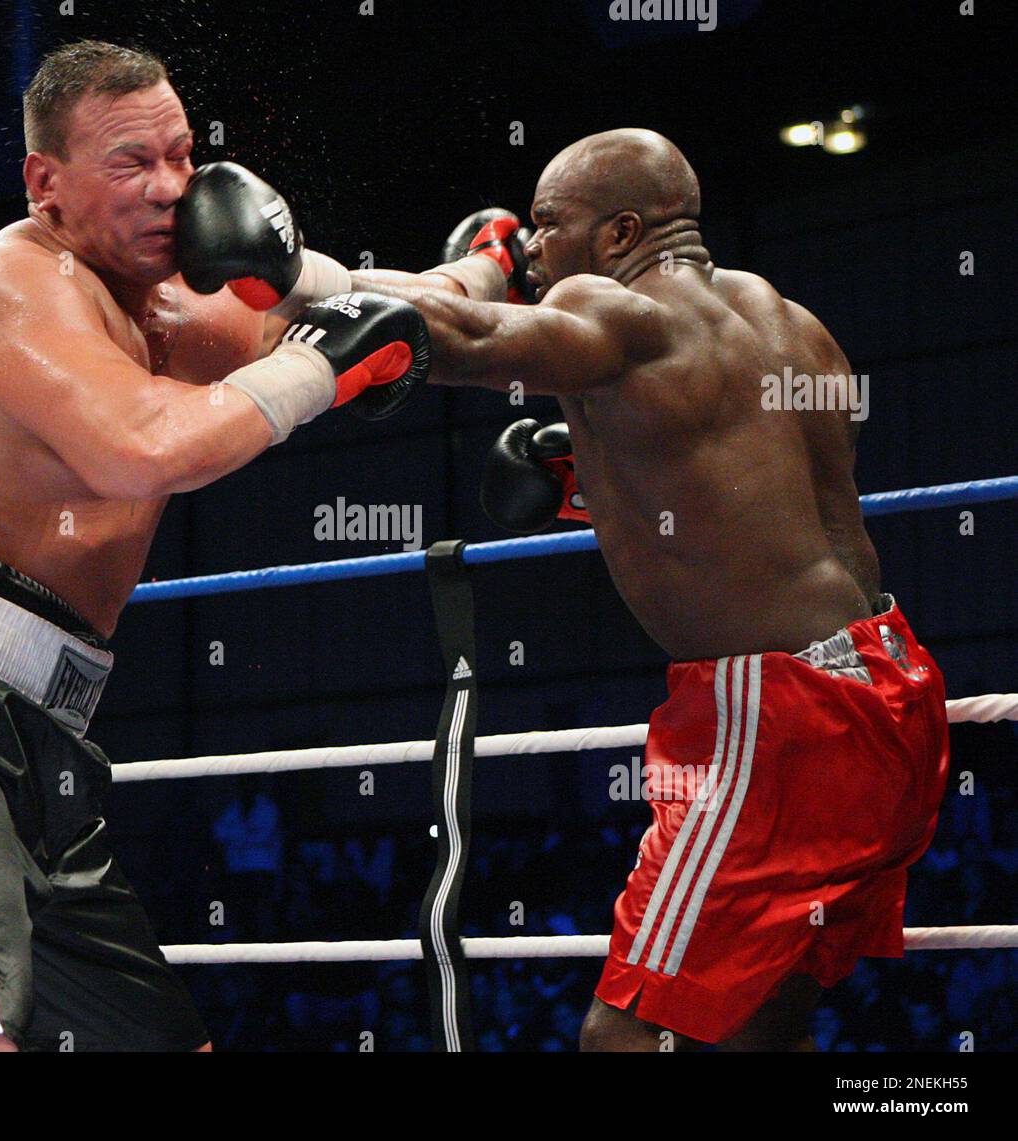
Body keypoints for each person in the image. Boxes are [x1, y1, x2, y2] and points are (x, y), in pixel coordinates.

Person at [0, 39, 429, 1052]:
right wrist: (318, 372)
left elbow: (380, 312)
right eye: (131, 163)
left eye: (182, 155)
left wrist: (504, 264)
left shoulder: (175, 306)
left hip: (37, 728)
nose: (171, 188)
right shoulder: (14, 282)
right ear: (47, 183)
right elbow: (144, 448)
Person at [351, 128, 951, 1050]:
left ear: (621, 231)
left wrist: (288, 270)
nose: (532, 250)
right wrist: (592, 483)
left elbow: (460, 336)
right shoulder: (788, 321)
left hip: (782, 721)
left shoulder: (618, 308)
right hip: (893, 687)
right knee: (764, 1014)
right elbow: (760, 506)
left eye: (547, 226)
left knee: (625, 1035)